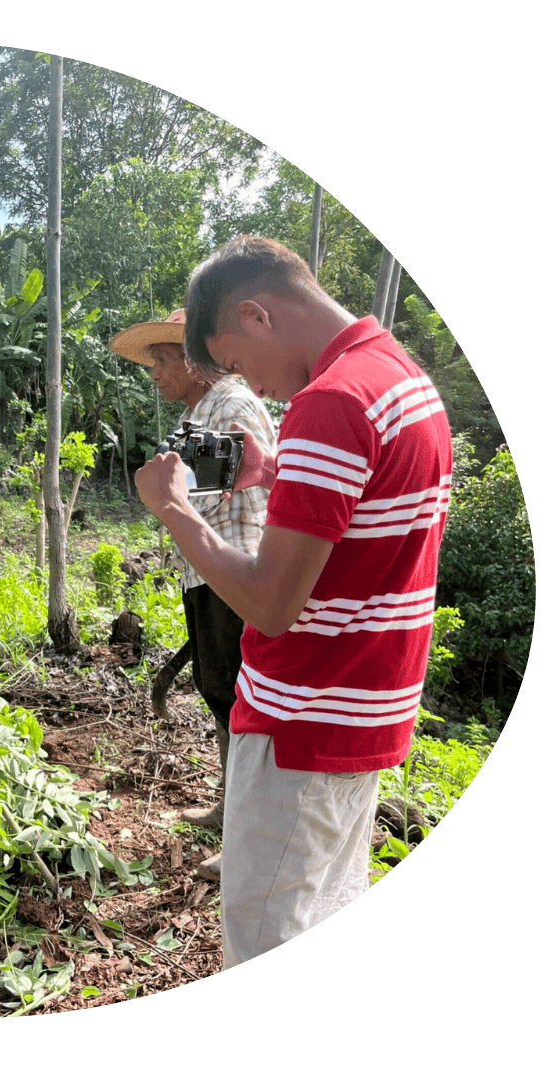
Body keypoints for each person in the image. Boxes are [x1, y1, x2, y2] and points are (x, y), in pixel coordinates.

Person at [134, 237, 452, 968]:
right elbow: (371, 515)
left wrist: (173, 508)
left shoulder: (330, 401)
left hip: (304, 716)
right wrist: (280, 469)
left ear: (257, 315)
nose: (255, 387)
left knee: (265, 939)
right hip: (364, 707)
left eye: (238, 362)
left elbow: (272, 605)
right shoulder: (399, 377)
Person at [110, 310, 276, 883]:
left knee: (240, 698)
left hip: (235, 568)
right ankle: (232, 809)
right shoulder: (198, 413)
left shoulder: (230, 404)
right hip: (209, 571)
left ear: (193, 359)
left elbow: (201, 497)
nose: (155, 373)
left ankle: (250, 839)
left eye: (162, 360)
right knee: (220, 690)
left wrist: (163, 492)